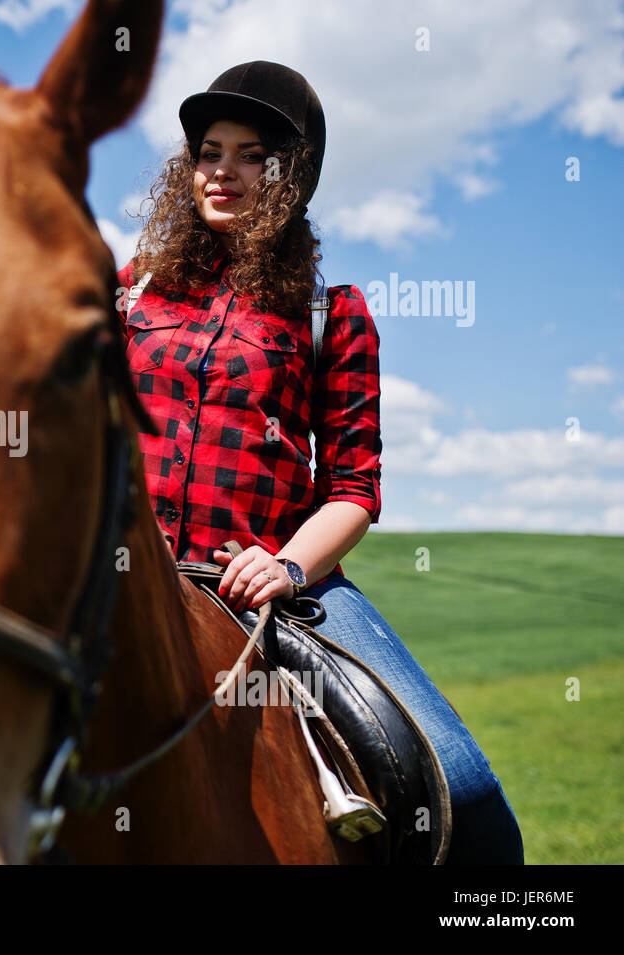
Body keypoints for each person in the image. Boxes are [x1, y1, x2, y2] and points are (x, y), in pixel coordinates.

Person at [116, 61, 523, 864]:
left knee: (464, 784)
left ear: (290, 173)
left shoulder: (331, 313)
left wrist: (289, 567)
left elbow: (353, 489)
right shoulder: (130, 294)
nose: (222, 171)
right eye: (208, 150)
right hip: (131, 577)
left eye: (250, 154)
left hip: (272, 578)